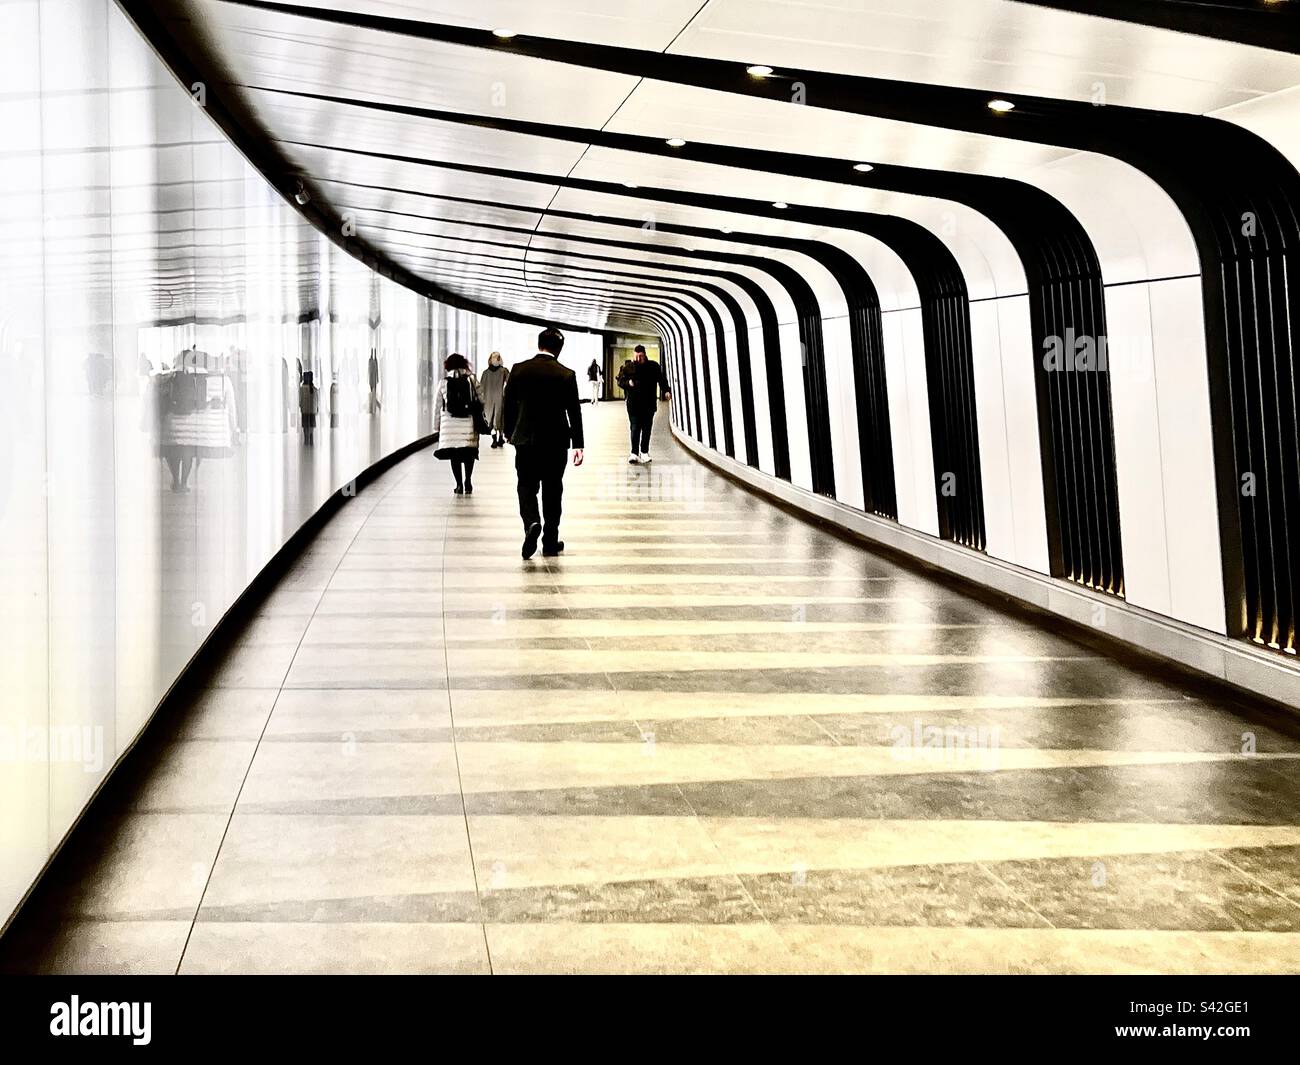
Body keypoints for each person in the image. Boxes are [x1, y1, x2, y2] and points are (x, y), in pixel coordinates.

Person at [503, 327, 584, 559]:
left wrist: (510, 433)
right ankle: (549, 541)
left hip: (526, 441)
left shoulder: (519, 370)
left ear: (539, 345)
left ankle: (531, 522)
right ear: (559, 349)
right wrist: (578, 444)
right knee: (552, 490)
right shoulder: (566, 374)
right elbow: (574, 412)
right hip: (556, 442)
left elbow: (509, 404)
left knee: (526, 486)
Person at [434, 352, 483, 495]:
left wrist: (436, 425)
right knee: (468, 453)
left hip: (450, 425)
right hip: (468, 423)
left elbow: (437, 406)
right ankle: (468, 481)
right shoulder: (472, 380)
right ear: (464, 365)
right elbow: (482, 399)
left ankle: (459, 485)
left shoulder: (443, 383)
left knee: (454, 456)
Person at [617, 344, 670, 464]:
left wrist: (666, 390)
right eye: (636, 356)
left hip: (649, 403)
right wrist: (628, 383)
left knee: (647, 429)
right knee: (635, 428)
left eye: (640, 356)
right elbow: (620, 381)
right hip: (633, 404)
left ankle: (644, 452)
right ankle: (634, 453)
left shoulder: (653, 366)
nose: (637, 359)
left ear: (645, 355)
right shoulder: (628, 367)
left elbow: (661, 379)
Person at [479, 351, 510, 447]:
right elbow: (509, 383)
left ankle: (494, 439)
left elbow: (481, 388)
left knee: (490, 420)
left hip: (488, 400)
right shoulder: (504, 371)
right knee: (499, 419)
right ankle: (500, 438)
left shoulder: (485, 373)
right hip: (499, 398)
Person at [299, 370, 319, 446]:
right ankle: (311, 439)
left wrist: (301, 406)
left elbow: (300, 401)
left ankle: (306, 440)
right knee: (311, 426)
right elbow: (316, 401)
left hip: (305, 411)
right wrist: (316, 409)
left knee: (305, 427)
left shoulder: (302, 389)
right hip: (312, 411)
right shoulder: (314, 389)